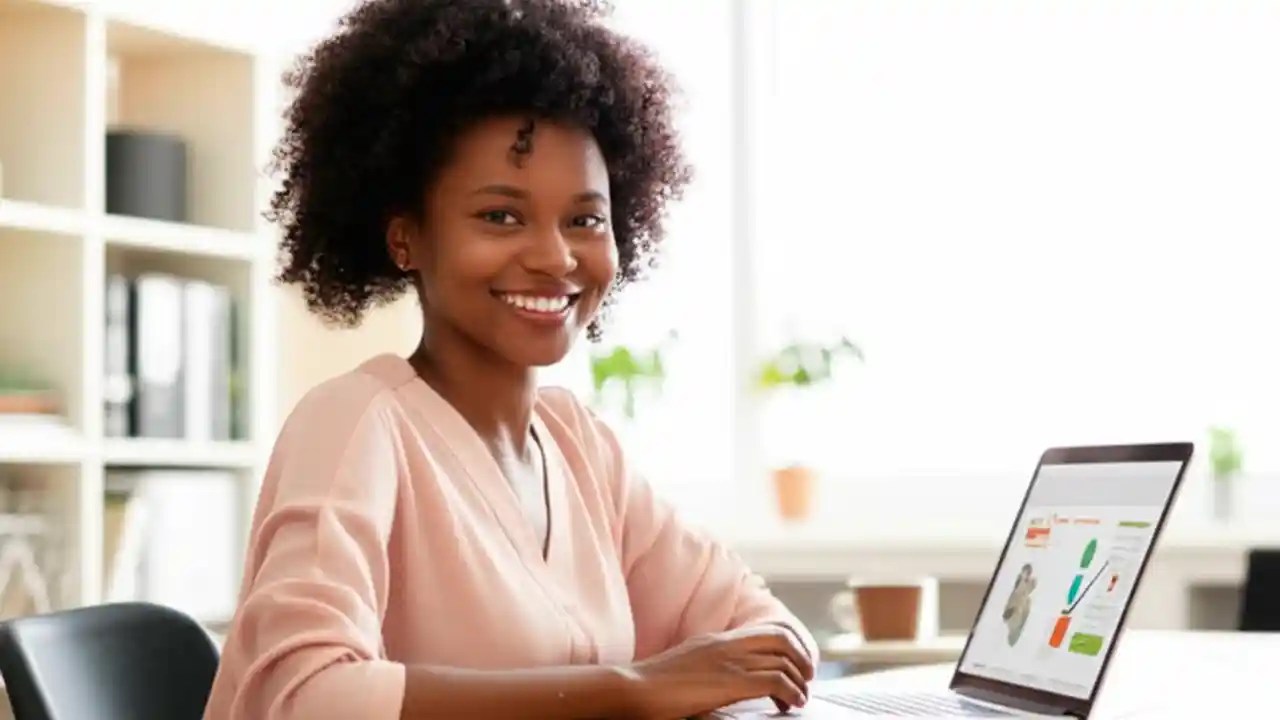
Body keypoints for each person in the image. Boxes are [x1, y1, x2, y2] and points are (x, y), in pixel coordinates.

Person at [203, 1, 818, 718]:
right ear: (406, 238)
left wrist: (722, 676)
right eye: (501, 216)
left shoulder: (579, 447)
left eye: (585, 220)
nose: (555, 257)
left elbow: (767, 635)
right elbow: (307, 695)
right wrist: (635, 690)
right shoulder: (354, 426)